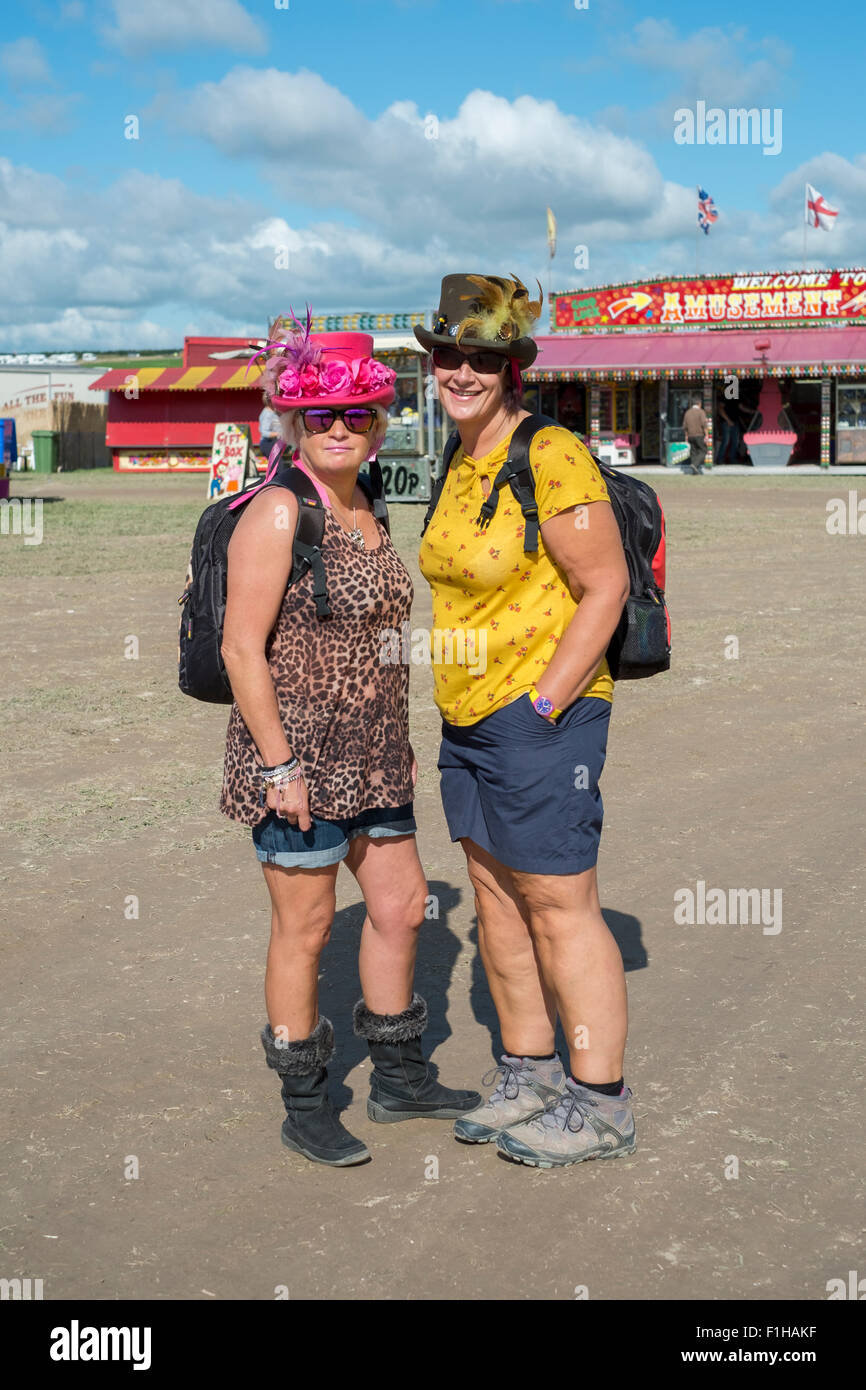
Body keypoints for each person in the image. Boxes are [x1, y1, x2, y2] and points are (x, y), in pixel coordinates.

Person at [220, 316, 480, 1167]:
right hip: (296, 756)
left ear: (378, 421)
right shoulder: (277, 512)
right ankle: (306, 1100)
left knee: (401, 907)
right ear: (295, 421)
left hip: (373, 753)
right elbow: (239, 648)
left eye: (357, 414)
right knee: (305, 927)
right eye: (322, 415)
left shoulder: (368, 506)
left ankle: (400, 1078)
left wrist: (398, 734)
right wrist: (279, 765)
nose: (341, 428)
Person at [414, 273, 636, 1168]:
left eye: (482, 356)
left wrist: (544, 702)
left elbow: (606, 584)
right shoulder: (460, 458)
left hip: (542, 716)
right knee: (499, 901)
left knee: (559, 904)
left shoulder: (550, 453)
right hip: (467, 719)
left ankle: (602, 1103)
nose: (462, 370)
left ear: (511, 366)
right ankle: (529, 1073)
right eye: (449, 355)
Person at [682, 396, 708, 473]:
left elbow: (685, 426)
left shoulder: (687, 412)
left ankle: (694, 470)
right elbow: (704, 424)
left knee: (693, 452)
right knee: (704, 450)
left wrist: (686, 436)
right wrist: (706, 435)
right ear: (699, 403)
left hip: (690, 436)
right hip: (699, 435)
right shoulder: (701, 412)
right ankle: (695, 465)